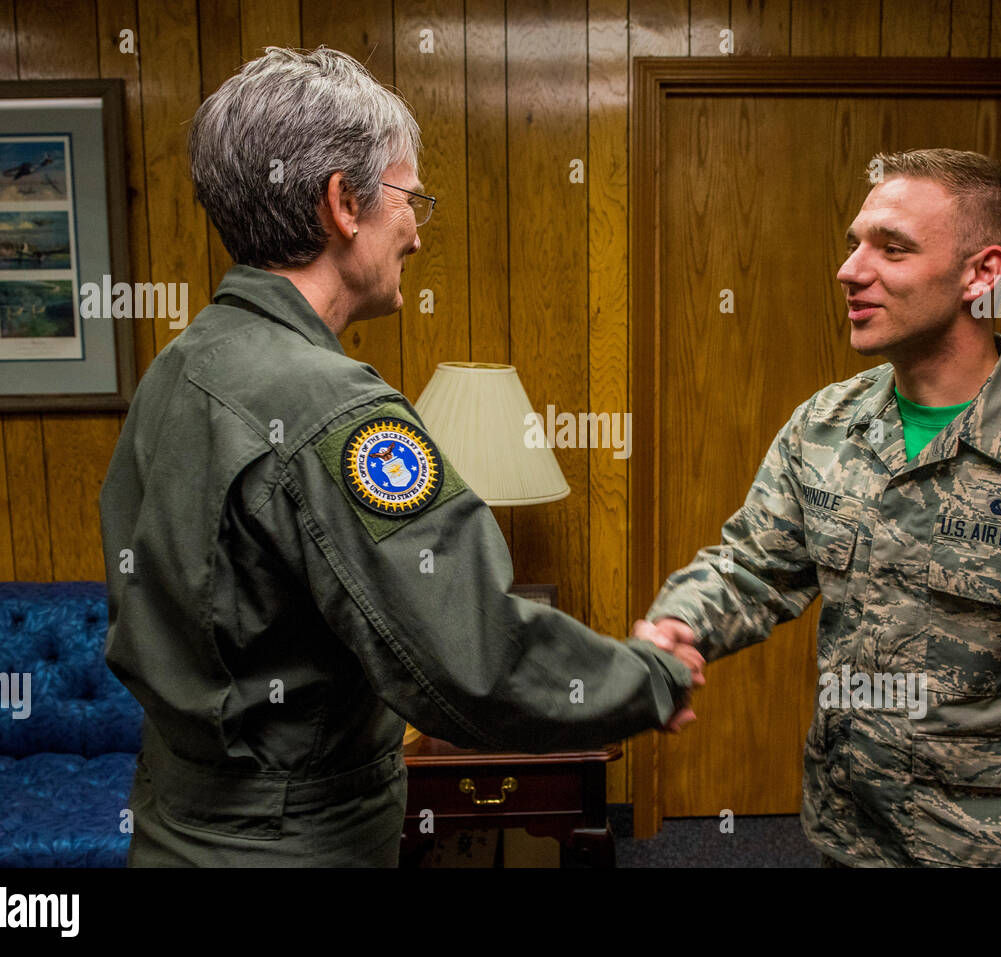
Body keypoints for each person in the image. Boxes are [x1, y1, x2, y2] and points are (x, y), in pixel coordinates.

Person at [99, 46, 702, 867]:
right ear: (344, 204)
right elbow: (471, 660)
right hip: (294, 843)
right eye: (409, 197)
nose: (416, 232)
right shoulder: (336, 410)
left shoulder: (178, 369)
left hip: (174, 825)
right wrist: (648, 677)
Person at [638, 148, 1001, 867]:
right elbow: (754, 565)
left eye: (893, 248)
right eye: (854, 243)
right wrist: (678, 623)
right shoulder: (826, 424)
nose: (851, 269)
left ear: (983, 271)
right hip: (847, 839)